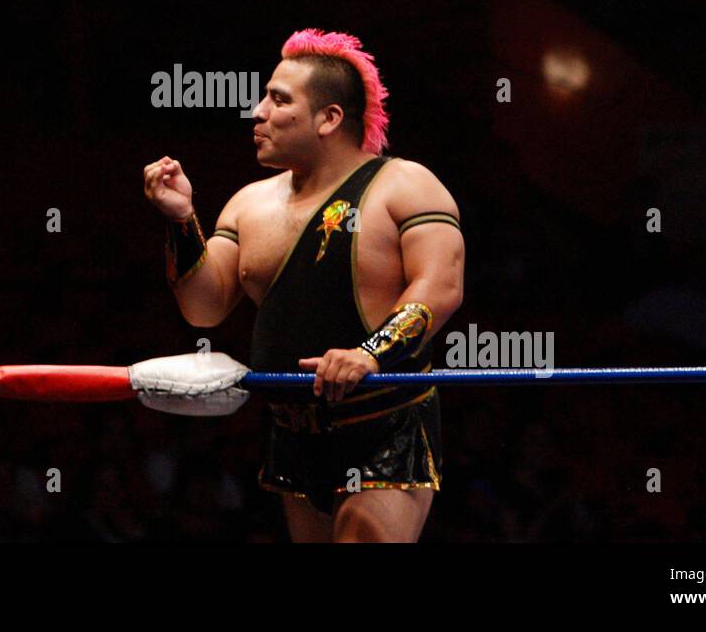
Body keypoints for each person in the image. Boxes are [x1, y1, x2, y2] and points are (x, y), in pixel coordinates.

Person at [143, 28, 466, 542]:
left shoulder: (406, 184)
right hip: (291, 427)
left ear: (329, 117)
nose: (257, 112)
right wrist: (181, 221)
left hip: (382, 420)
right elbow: (203, 309)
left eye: (278, 99)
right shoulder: (248, 203)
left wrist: (370, 354)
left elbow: (440, 288)